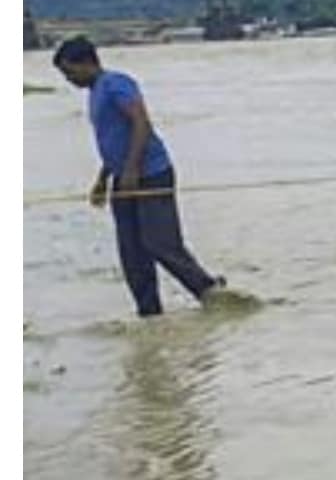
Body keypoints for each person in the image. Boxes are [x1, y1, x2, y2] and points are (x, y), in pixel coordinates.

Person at [52, 36, 234, 316]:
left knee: (160, 243)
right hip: (121, 178)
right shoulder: (96, 92)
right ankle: (149, 313)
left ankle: (210, 291)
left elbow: (140, 121)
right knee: (132, 253)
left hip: (151, 173)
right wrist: (103, 179)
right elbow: (113, 141)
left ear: (87, 63)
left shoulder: (116, 83)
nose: (70, 80)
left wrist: (134, 169)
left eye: (70, 72)